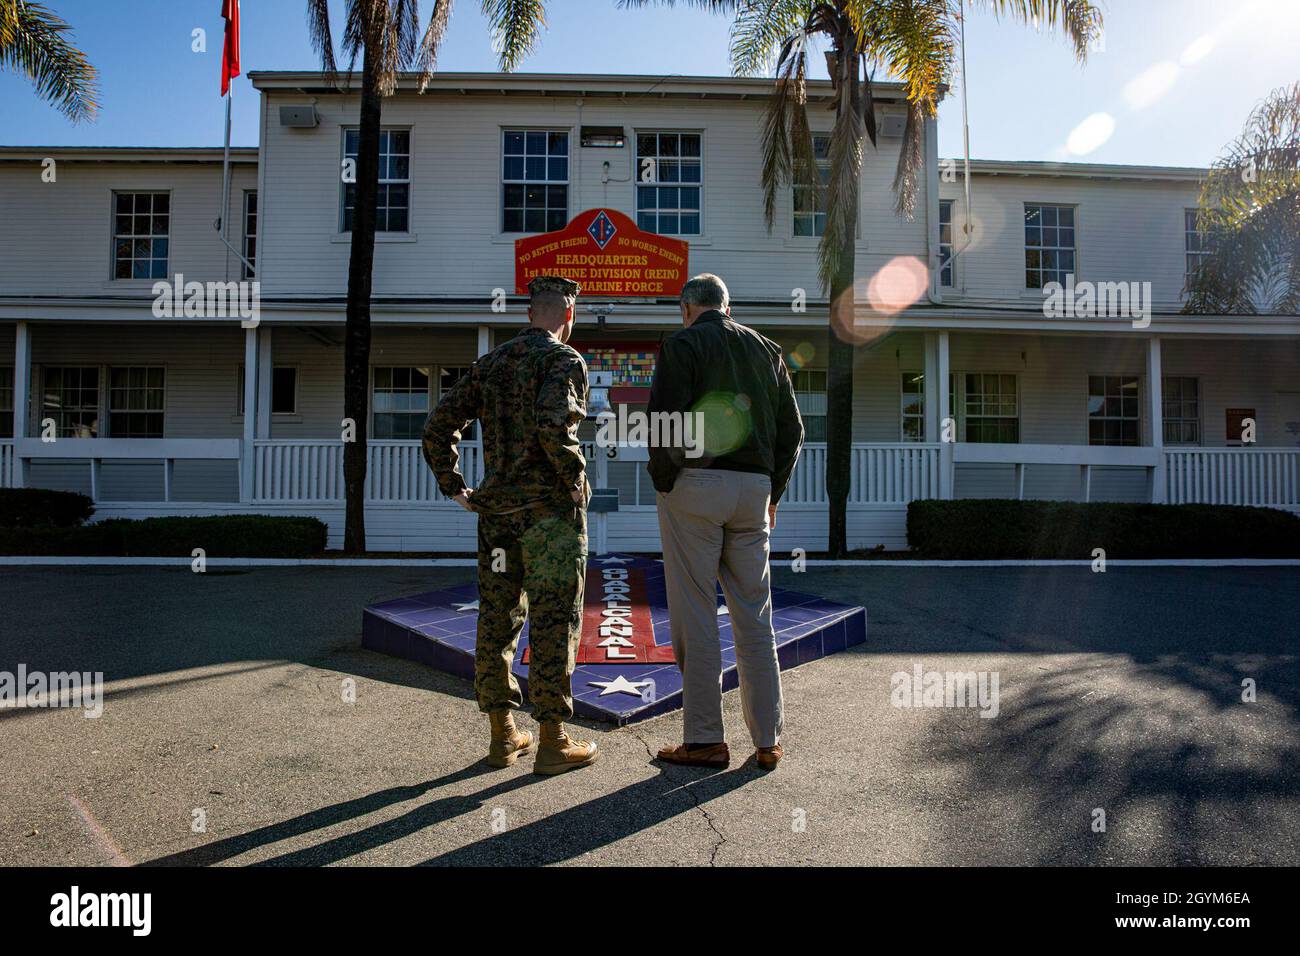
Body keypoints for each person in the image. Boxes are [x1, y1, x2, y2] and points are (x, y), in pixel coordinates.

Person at [422, 275, 598, 776]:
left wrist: (456, 487)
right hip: (549, 518)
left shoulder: (490, 364)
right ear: (569, 316)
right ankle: (552, 741)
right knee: (553, 618)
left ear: (529, 314)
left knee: (497, 620)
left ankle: (503, 736)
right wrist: (575, 478)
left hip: (497, 517)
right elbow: (553, 424)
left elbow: (437, 426)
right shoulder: (565, 360)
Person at [647, 273, 804, 771]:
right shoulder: (767, 350)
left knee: (696, 614)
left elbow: (664, 420)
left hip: (696, 483)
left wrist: (665, 481)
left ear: (686, 309)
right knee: (755, 615)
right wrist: (773, 490)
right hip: (753, 489)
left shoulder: (682, 345)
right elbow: (793, 430)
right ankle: (768, 740)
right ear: (727, 307)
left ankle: (705, 740)